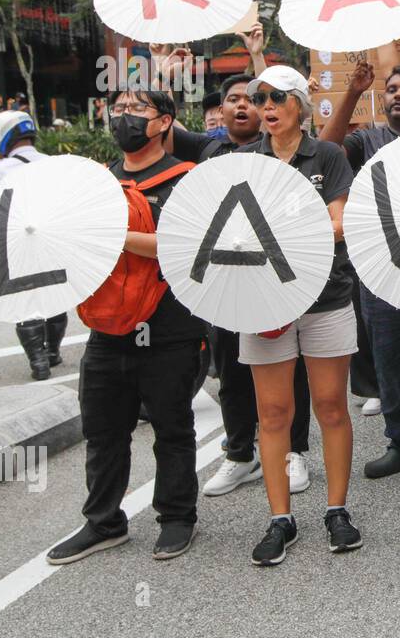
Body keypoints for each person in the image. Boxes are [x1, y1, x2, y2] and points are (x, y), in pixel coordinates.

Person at [46, 88, 205, 563]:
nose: (124, 118)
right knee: (103, 429)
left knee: (171, 426)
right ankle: (103, 521)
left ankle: (177, 517)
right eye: (118, 109)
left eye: (137, 110)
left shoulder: (186, 180)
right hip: (108, 326)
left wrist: (109, 233)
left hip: (169, 325)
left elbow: (181, 246)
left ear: (164, 123)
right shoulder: (99, 183)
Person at [166, 68, 314, 498]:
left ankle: (293, 451)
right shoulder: (209, 151)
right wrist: (164, 71)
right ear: (221, 111)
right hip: (225, 282)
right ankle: (239, 454)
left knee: (290, 371)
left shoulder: (282, 154)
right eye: (235, 98)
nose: (246, 104)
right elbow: (163, 122)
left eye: (260, 98)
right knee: (231, 370)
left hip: (276, 280)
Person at [235, 66, 362, 565]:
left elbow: (339, 224)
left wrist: (279, 236)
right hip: (261, 302)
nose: (265, 105)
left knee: (331, 405)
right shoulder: (242, 160)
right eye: (258, 96)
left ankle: (337, 510)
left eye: (276, 97)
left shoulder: (327, 155)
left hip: (325, 295)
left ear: (300, 107)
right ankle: (279, 518)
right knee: (273, 414)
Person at [318, 53, 400, 487]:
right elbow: (324, 149)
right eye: (391, 90)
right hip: (380, 268)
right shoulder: (365, 141)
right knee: (389, 359)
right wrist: (354, 91)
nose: (398, 96)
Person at [0, 110, 69, 382]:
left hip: (16, 244)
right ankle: (53, 351)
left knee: (25, 301)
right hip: (53, 240)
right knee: (55, 297)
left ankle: (39, 361)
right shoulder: (55, 164)